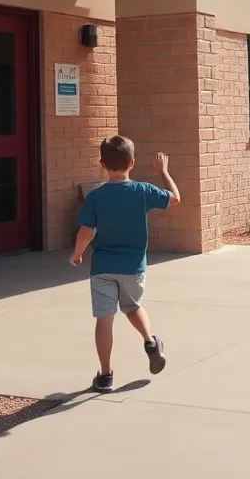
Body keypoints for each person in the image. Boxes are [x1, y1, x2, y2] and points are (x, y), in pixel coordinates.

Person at [71, 135, 181, 393]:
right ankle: (150, 342)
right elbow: (175, 199)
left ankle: (106, 375)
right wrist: (164, 172)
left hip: (103, 268)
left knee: (104, 320)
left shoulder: (96, 196)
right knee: (132, 306)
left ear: (101, 164)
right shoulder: (143, 191)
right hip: (133, 266)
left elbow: (85, 230)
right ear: (132, 162)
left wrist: (77, 253)